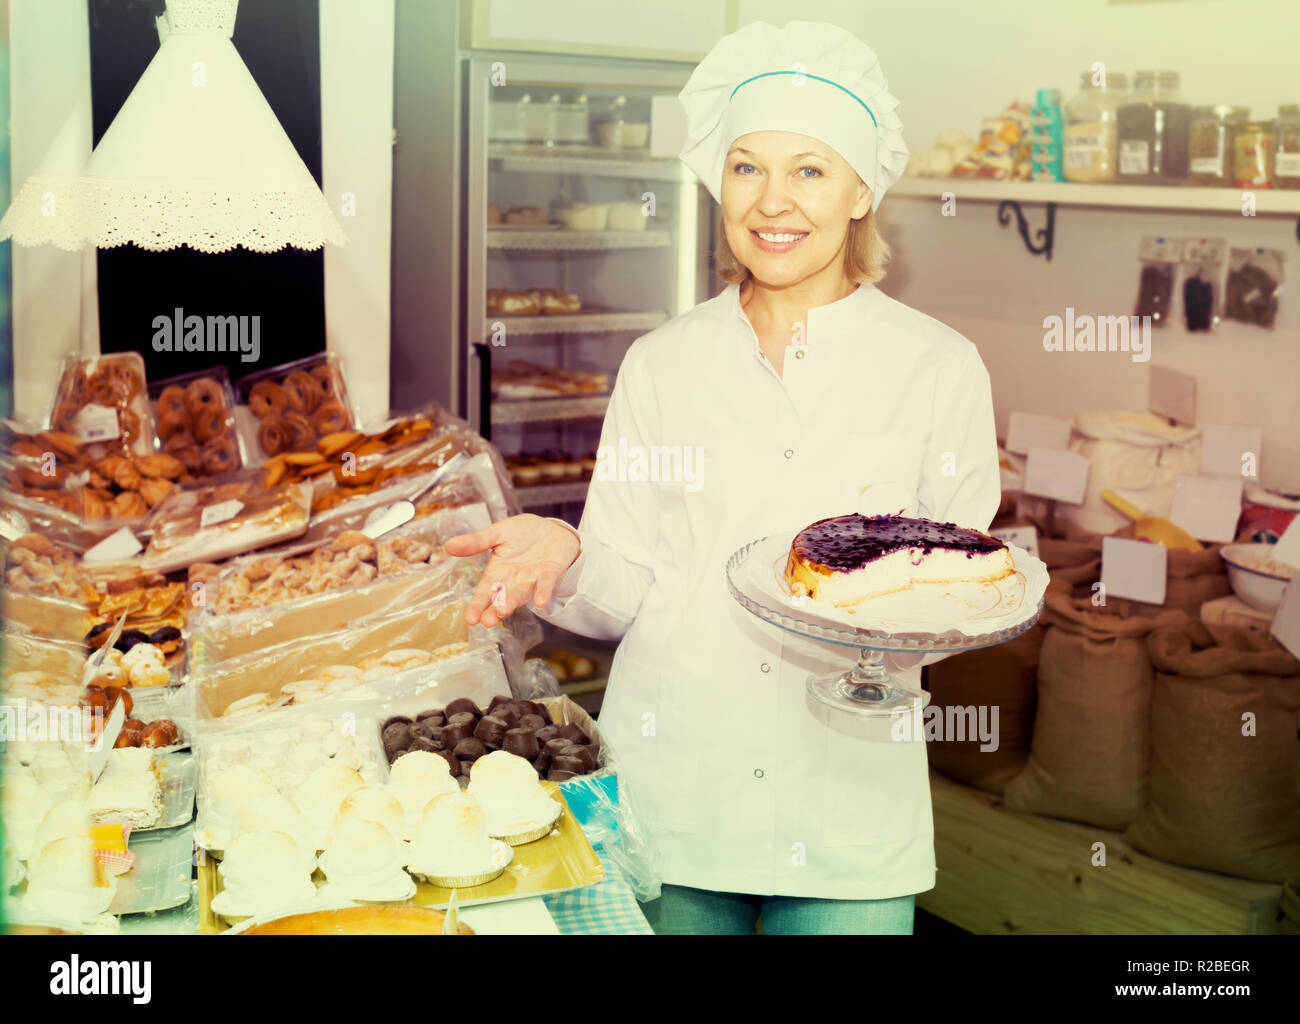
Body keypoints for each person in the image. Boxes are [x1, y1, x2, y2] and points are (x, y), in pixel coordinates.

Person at [446, 20, 1001, 935]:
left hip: (847, 801)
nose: (772, 201)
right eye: (747, 167)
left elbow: (954, 590)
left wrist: (884, 635)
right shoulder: (664, 362)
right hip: (679, 788)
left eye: (810, 169)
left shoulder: (938, 367)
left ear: (863, 189)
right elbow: (626, 590)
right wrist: (570, 553)